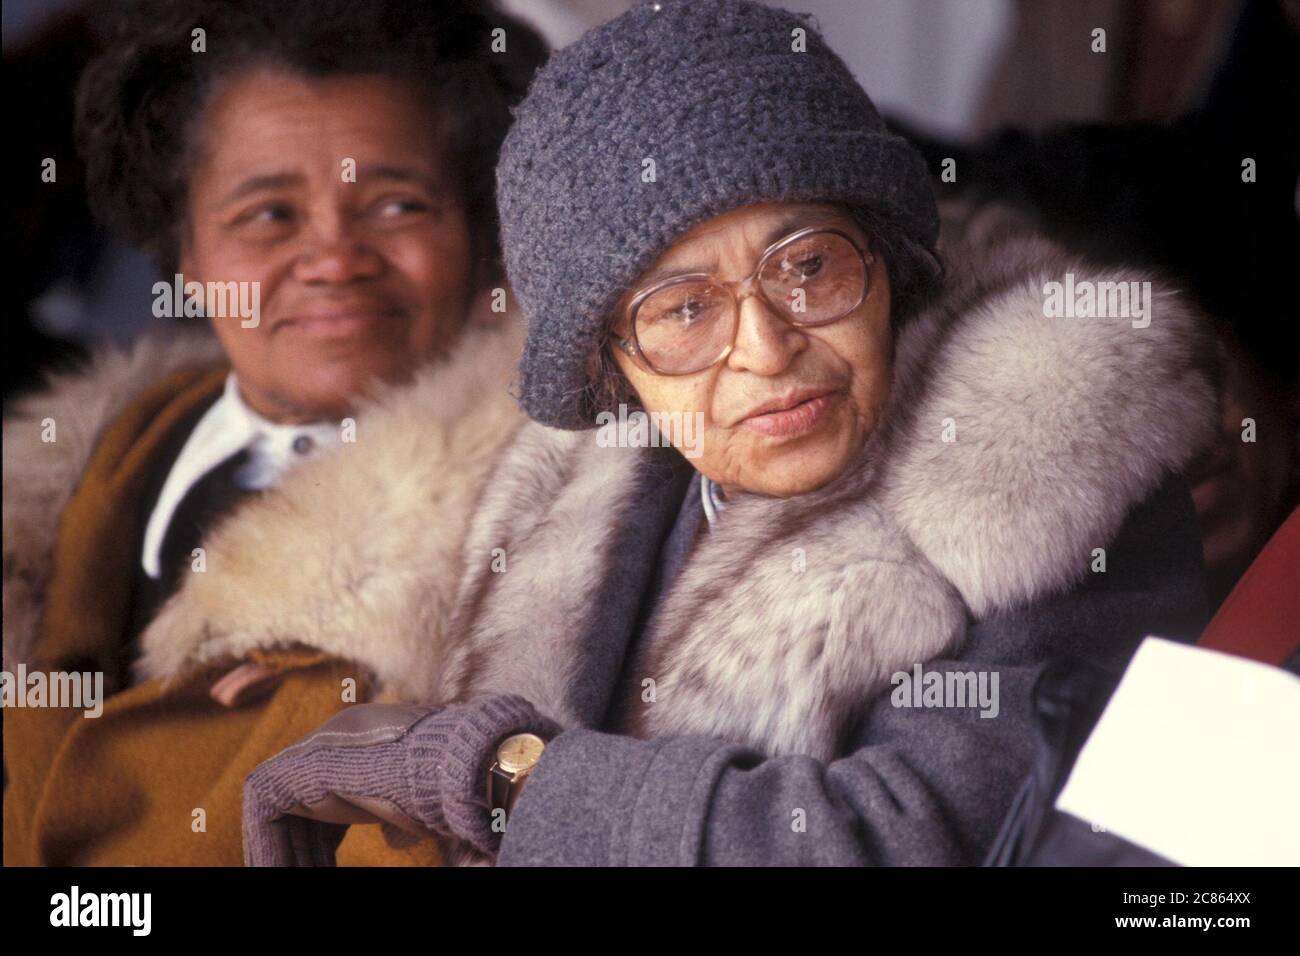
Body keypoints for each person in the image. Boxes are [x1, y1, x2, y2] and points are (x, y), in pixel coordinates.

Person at [241, 0, 1218, 867]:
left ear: (886, 257)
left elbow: (915, 838)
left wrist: (502, 774)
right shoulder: (584, 481)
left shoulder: (1046, 457)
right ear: (610, 363)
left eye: (809, 265)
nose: (764, 346)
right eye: (681, 309)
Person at [2, 0, 546, 866]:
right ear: (186, 257)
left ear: (480, 241)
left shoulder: (556, 517)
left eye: (398, 205)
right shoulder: (91, 465)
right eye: (268, 215)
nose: (333, 258)